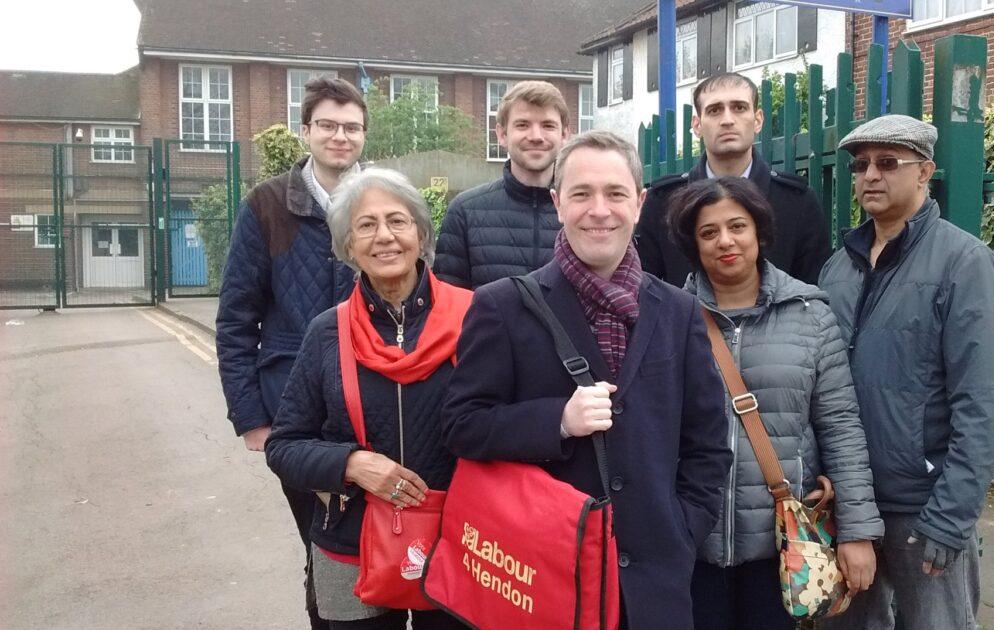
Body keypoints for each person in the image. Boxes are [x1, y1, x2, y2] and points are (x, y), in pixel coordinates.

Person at [441, 130, 733, 629]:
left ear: (639, 204)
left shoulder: (679, 311)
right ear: (558, 203)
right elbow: (461, 425)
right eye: (581, 194)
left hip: (652, 587)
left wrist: (683, 530)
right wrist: (556, 421)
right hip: (547, 578)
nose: (600, 209)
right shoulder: (503, 306)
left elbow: (708, 442)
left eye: (615, 193)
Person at [817, 115, 994, 630]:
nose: (870, 176)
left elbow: (984, 401)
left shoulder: (965, 263)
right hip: (848, 505)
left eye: (887, 163)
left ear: (925, 171)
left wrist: (952, 518)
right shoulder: (839, 266)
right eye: (861, 166)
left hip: (923, 510)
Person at [665, 176, 883, 629]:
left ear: (759, 232)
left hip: (782, 547)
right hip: (692, 543)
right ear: (693, 244)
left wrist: (858, 530)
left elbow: (841, 425)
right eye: (708, 232)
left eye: (737, 226)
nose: (725, 240)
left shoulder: (811, 315)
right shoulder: (667, 317)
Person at [266, 168, 472, 629]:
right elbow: (283, 447)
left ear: (420, 234)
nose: (385, 237)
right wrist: (351, 465)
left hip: (456, 541)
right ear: (348, 247)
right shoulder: (326, 332)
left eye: (397, 221)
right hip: (351, 545)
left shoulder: (475, 318)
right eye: (366, 225)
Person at [216, 76, 366, 629]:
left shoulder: (379, 197)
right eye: (327, 125)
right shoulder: (266, 205)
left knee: (373, 540)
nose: (339, 137)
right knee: (320, 545)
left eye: (351, 127)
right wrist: (251, 418)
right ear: (306, 131)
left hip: (370, 402)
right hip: (292, 410)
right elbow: (236, 317)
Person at [636, 72, 831, 287]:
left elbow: (813, 294)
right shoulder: (662, 203)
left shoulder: (797, 203)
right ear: (697, 125)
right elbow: (644, 290)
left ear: (757, 120)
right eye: (714, 110)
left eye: (739, 107)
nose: (727, 120)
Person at [433, 80, 570, 288]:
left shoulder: (582, 212)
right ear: (502, 134)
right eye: (523, 125)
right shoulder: (465, 212)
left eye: (548, 125)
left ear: (564, 135)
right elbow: (449, 306)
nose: (536, 136)